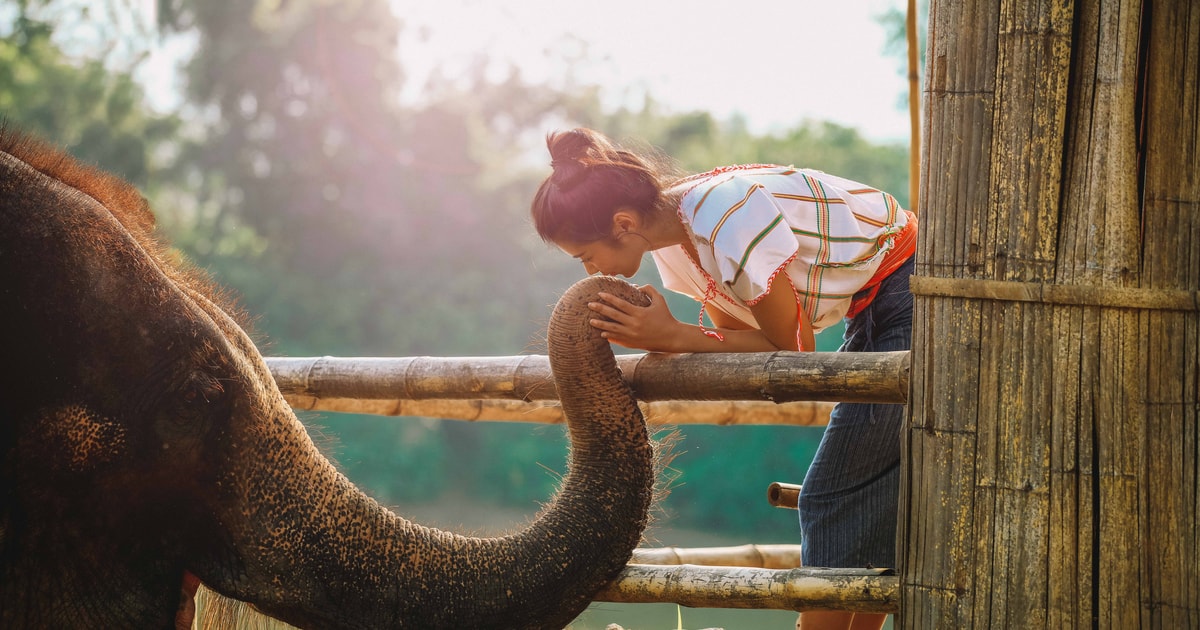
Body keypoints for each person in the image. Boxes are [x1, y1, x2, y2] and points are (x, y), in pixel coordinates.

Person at [530, 128, 916, 630]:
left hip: (908, 290)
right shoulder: (675, 241)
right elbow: (742, 337)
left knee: (829, 496)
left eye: (585, 256)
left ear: (623, 224)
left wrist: (674, 334)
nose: (591, 268)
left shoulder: (724, 217)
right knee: (869, 497)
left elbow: (792, 348)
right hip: (871, 307)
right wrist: (672, 336)